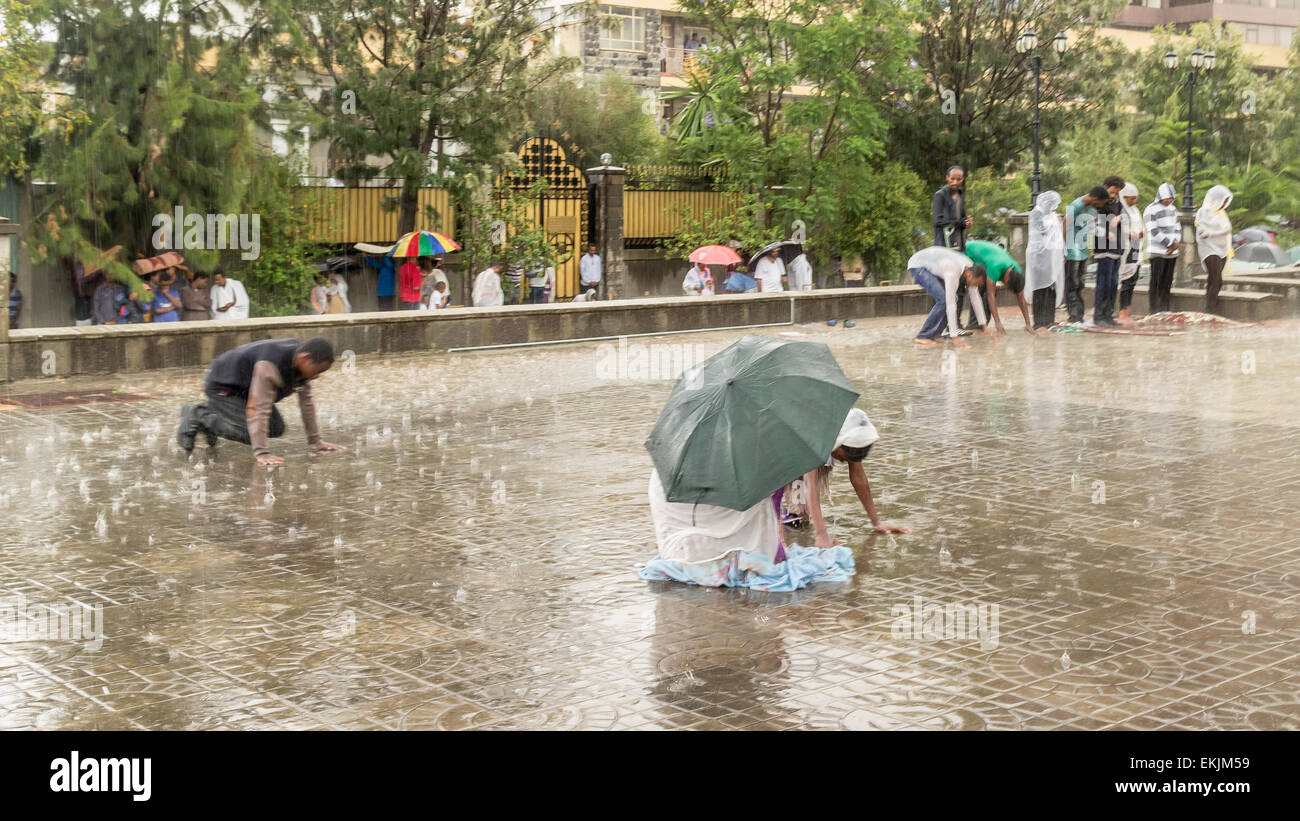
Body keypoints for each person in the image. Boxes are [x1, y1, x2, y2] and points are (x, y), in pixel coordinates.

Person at [176, 337, 348, 466]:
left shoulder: (301, 367)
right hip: (224, 387)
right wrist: (261, 452)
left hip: (247, 388)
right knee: (249, 432)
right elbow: (257, 408)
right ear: (305, 358)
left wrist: (316, 441)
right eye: (317, 370)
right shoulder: (270, 365)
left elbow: (306, 403)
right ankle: (197, 415)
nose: (317, 376)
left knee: (276, 429)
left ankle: (210, 420)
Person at [783, 409, 911, 545]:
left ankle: (787, 515)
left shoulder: (849, 429)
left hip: (806, 453)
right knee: (794, 517)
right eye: (844, 457)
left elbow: (858, 478)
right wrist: (821, 533)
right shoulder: (816, 438)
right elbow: (810, 484)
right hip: (784, 450)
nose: (844, 461)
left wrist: (876, 522)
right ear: (838, 443)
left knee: (801, 519)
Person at [906, 245, 993, 348]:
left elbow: (975, 298)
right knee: (944, 301)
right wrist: (955, 338)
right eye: (977, 283)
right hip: (918, 266)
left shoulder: (970, 268)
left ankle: (936, 335)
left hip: (933, 265)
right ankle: (923, 336)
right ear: (969, 275)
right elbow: (950, 304)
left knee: (951, 300)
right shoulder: (953, 271)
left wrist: (984, 325)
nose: (976, 286)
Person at [964, 239, 1032, 335]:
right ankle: (974, 326)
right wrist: (998, 322)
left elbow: (1020, 297)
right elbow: (990, 295)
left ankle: (982, 326)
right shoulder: (995, 266)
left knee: (984, 289)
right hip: (968, 252)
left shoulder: (1017, 271)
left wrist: (1028, 324)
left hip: (984, 259)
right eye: (1006, 284)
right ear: (1006, 280)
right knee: (979, 288)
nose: (1004, 285)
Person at [1063, 186, 1108, 324]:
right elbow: (1064, 225)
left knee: (1080, 284)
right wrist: (1063, 250)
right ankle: (1074, 316)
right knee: (1072, 284)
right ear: (1095, 199)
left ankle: (1079, 317)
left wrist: (1105, 234)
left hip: (1082, 250)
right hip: (1071, 251)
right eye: (1101, 203)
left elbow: (1091, 227)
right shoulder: (1075, 206)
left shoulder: (1092, 208)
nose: (1101, 206)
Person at [1025, 190, 1065, 333]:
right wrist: (1055, 223)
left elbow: (1057, 237)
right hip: (1038, 257)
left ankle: (1049, 320)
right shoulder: (1036, 213)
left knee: (1050, 288)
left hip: (1051, 256)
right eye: (1053, 205)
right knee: (1040, 289)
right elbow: (1043, 230)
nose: (1055, 208)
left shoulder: (1051, 216)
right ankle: (1039, 322)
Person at [1090, 176, 1125, 326]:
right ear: (1105, 187)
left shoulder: (1118, 203)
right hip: (1104, 249)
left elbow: (1124, 216)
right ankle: (1099, 316)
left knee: (1113, 283)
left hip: (1116, 248)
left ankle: (1109, 315)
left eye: (1116, 193)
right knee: (1103, 283)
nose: (1112, 196)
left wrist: (1120, 218)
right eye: (1111, 192)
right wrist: (1105, 233)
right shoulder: (1097, 204)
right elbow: (1092, 225)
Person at [1143, 182, 1180, 315]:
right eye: (1166, 198)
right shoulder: (1151, 209)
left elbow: (1177, 227)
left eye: (1171, 198)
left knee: (1167, 281)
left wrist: (1176, 242)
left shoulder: (1173, 210)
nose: (1169, 200)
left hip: (1172, 252)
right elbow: (1153, 230)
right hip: (1158, 252)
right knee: (1156, 282)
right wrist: (1169, 243)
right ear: (1160, 196)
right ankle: (1154, 309)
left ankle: (1165, 308)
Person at [1196, 184, 1233, 316]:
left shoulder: (1222, 214)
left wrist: (1225, 233)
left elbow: (1227, 229)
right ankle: (1209, 309)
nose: (1224, 204)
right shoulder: (1204, 211)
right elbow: (1202, 232)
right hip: (1209, 249)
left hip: (1222, 249)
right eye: (1223, 200)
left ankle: (1211, 306)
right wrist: (1219, 232)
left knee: (1217, 280)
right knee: (1215, 277)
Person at [1117, 182, 1145, 324]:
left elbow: (1139, 227)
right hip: (1126, 249)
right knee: (1126, 281)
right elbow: (1122, 231)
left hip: (1136, 247)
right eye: (1131, 198)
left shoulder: (1135, 210)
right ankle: (1122, 313)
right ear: (1124, 196)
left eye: (1135, 198)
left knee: (1133, 280)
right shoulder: (1121, 211)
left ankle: (1128, 311)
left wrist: (1139, 234)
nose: (1134, 201)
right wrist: (1133, 235)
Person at [932, 165, 971, 250]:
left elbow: (962, 219)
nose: (955, 182)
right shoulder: (940, 195)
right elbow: (937, 222)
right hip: (943, 246)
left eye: (958, 179)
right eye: (952, 179)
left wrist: (967, 223)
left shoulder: (960, 195)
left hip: (959, 245)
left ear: (962, 179)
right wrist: (960, 223)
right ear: (947, 177)